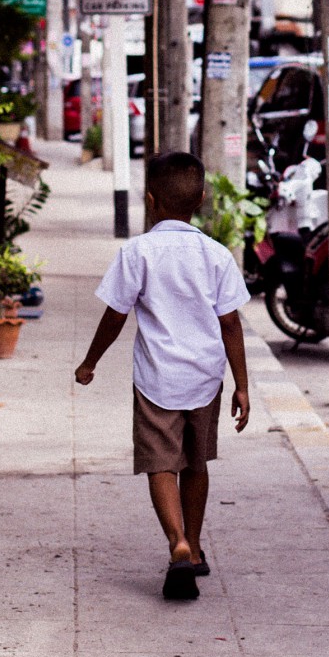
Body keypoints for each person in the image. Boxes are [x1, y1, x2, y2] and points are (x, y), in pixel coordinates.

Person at [75, 151, 250, 601]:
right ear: (203, 197)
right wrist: (243, 386)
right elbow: (230, 323)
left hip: (156, 379)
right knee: (196, 463)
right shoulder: (216, 255)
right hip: (206, 378)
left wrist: (91, 361)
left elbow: (115, 315)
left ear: (150, 200)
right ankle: (195, 547)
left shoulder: (137, 252)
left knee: (161, 464)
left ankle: (177, 543)